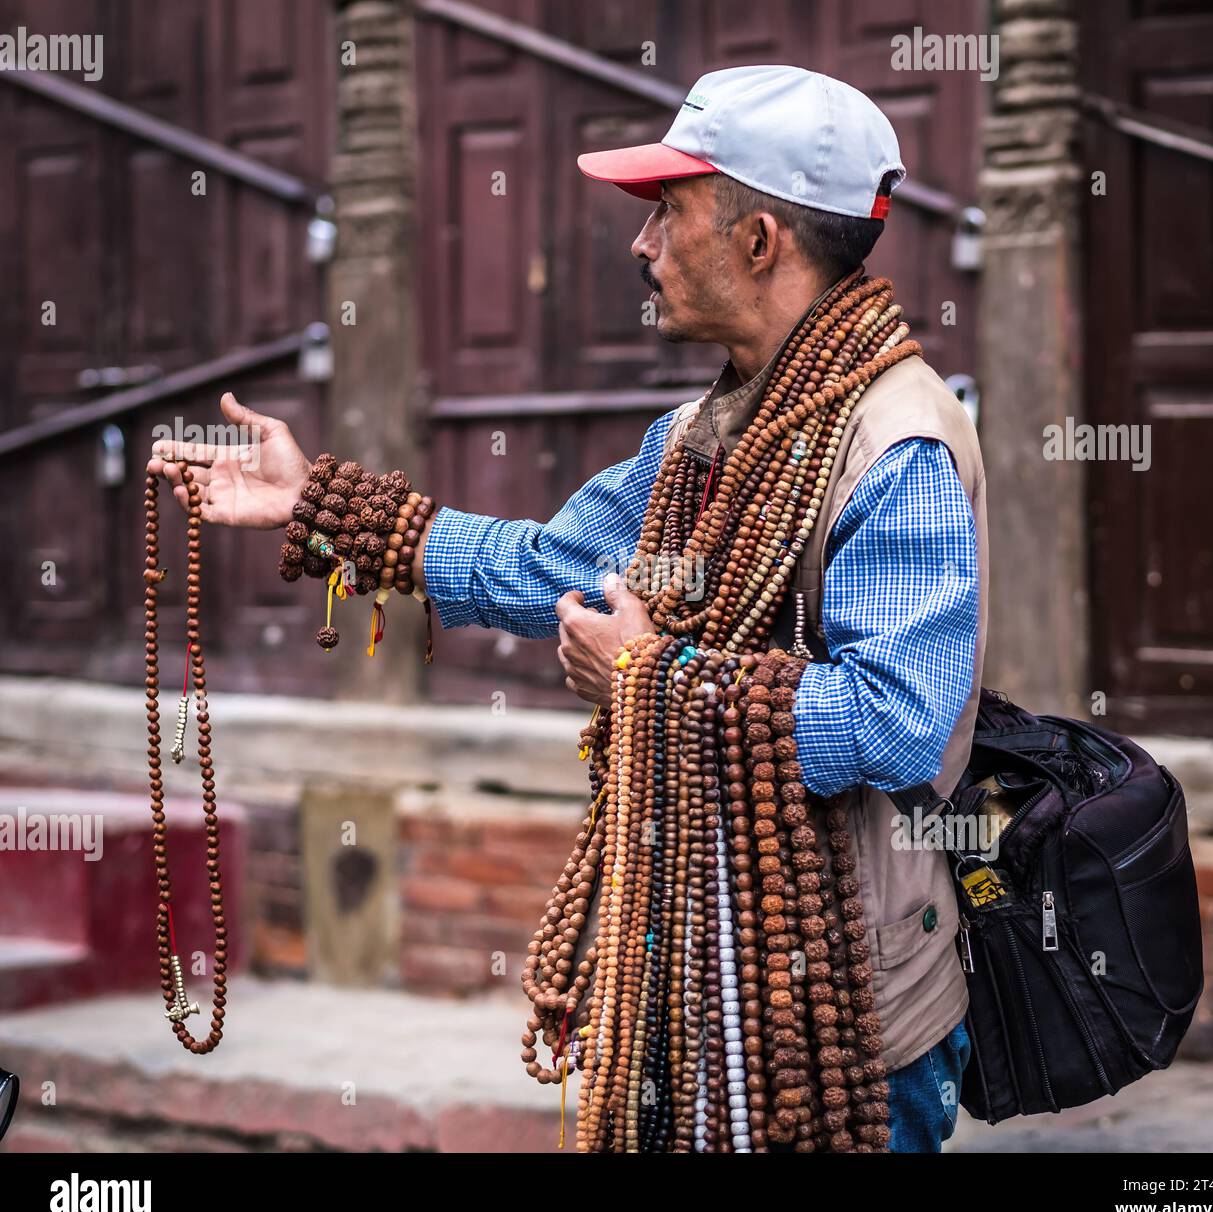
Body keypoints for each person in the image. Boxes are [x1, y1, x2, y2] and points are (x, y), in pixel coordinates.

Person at [149, 64, 983, 1152]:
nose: (641, 246)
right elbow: (555, 570)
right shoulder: (697, 436)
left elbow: (898, 718)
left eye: (666, 211)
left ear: (759, 239)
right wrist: (322, 506)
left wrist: (656, 680)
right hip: (688, 990)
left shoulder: (895, 448)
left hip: (833, 1024)